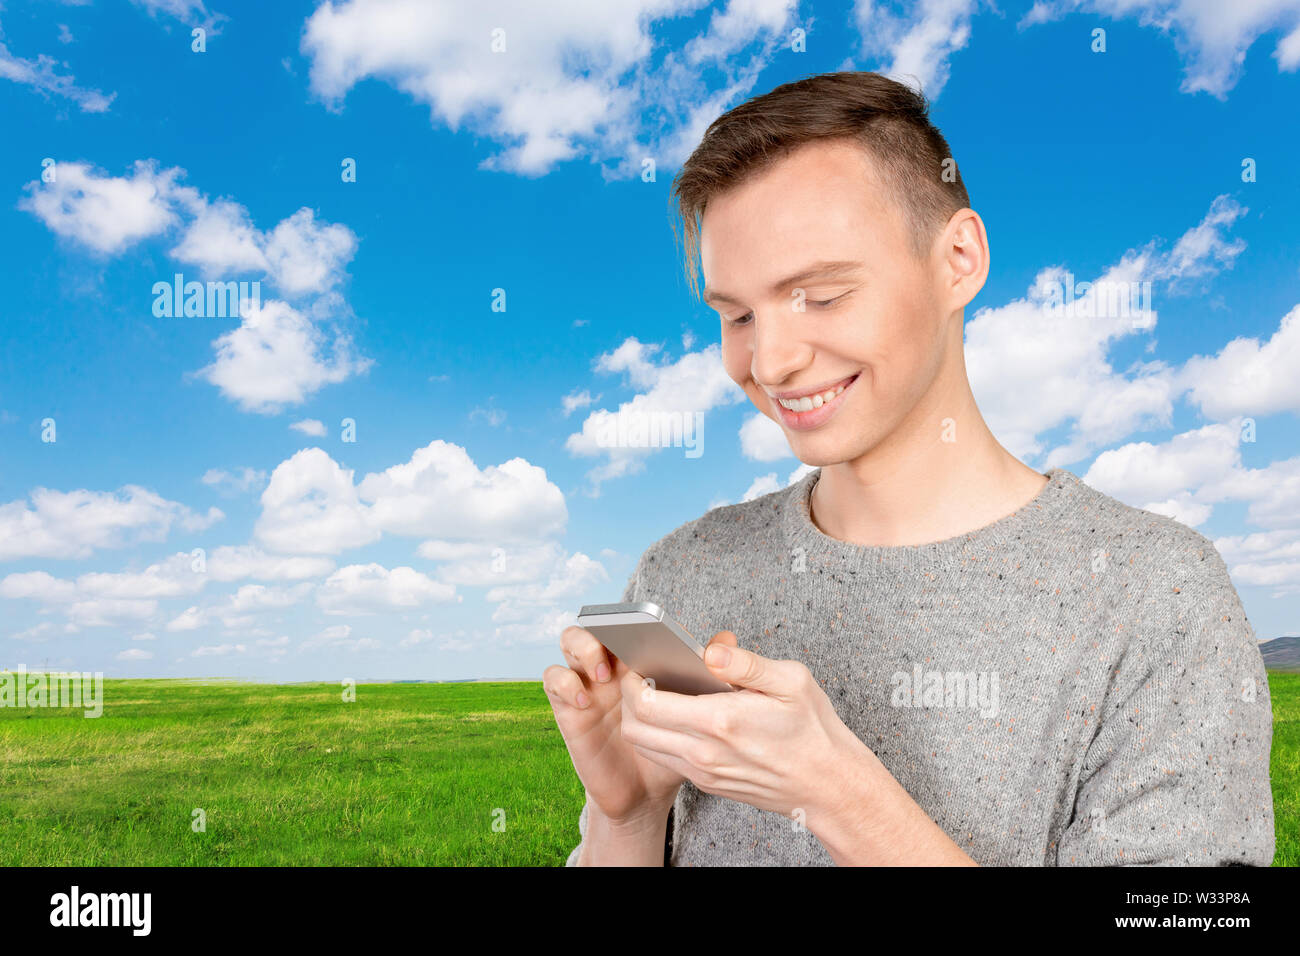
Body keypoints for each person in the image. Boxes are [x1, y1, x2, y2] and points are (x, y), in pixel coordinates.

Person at [543, 71, 1275, 866]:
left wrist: (841, 796)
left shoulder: (1158, 600)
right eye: (738, 316)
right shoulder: (684, 572)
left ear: (958, 258)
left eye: (820, 295)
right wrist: (625, 819)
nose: (773, 361)